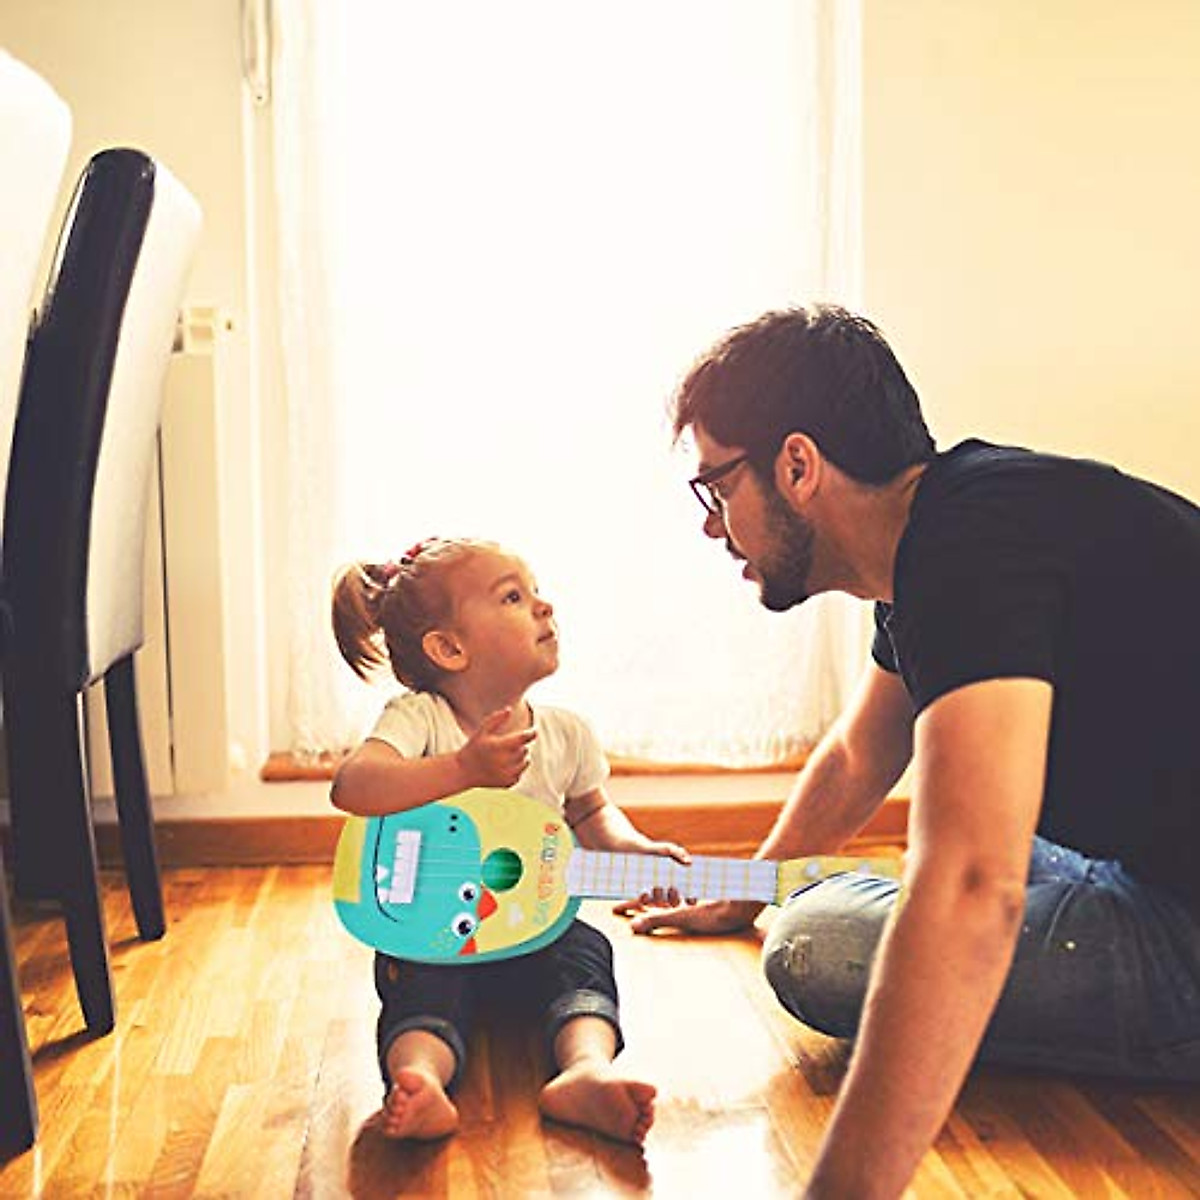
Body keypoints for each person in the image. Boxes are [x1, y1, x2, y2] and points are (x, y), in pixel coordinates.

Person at [624, 305, 1200, 1198]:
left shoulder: (969, 549)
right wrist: (746, 887)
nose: (711, 524)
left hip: (1186, 923)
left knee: (815, 942)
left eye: (716, 487)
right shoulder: (946, 527)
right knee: (929, 862)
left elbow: (973, 885)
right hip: (1146, 860)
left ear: (797, 465)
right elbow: (861, 754)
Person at [329, 536, 688, 1146]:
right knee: (417, 980)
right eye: (513, 597)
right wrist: (462, 769)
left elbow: (593, 815)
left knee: (586, 953)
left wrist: (636, 851)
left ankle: (585, 1071)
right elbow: (353, 785)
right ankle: (421, 1080)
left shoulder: (566, 734)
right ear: (449, 648)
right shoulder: (419, 718)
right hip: (438, 937)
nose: (544, 606)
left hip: (533, 934)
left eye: (535, 591)